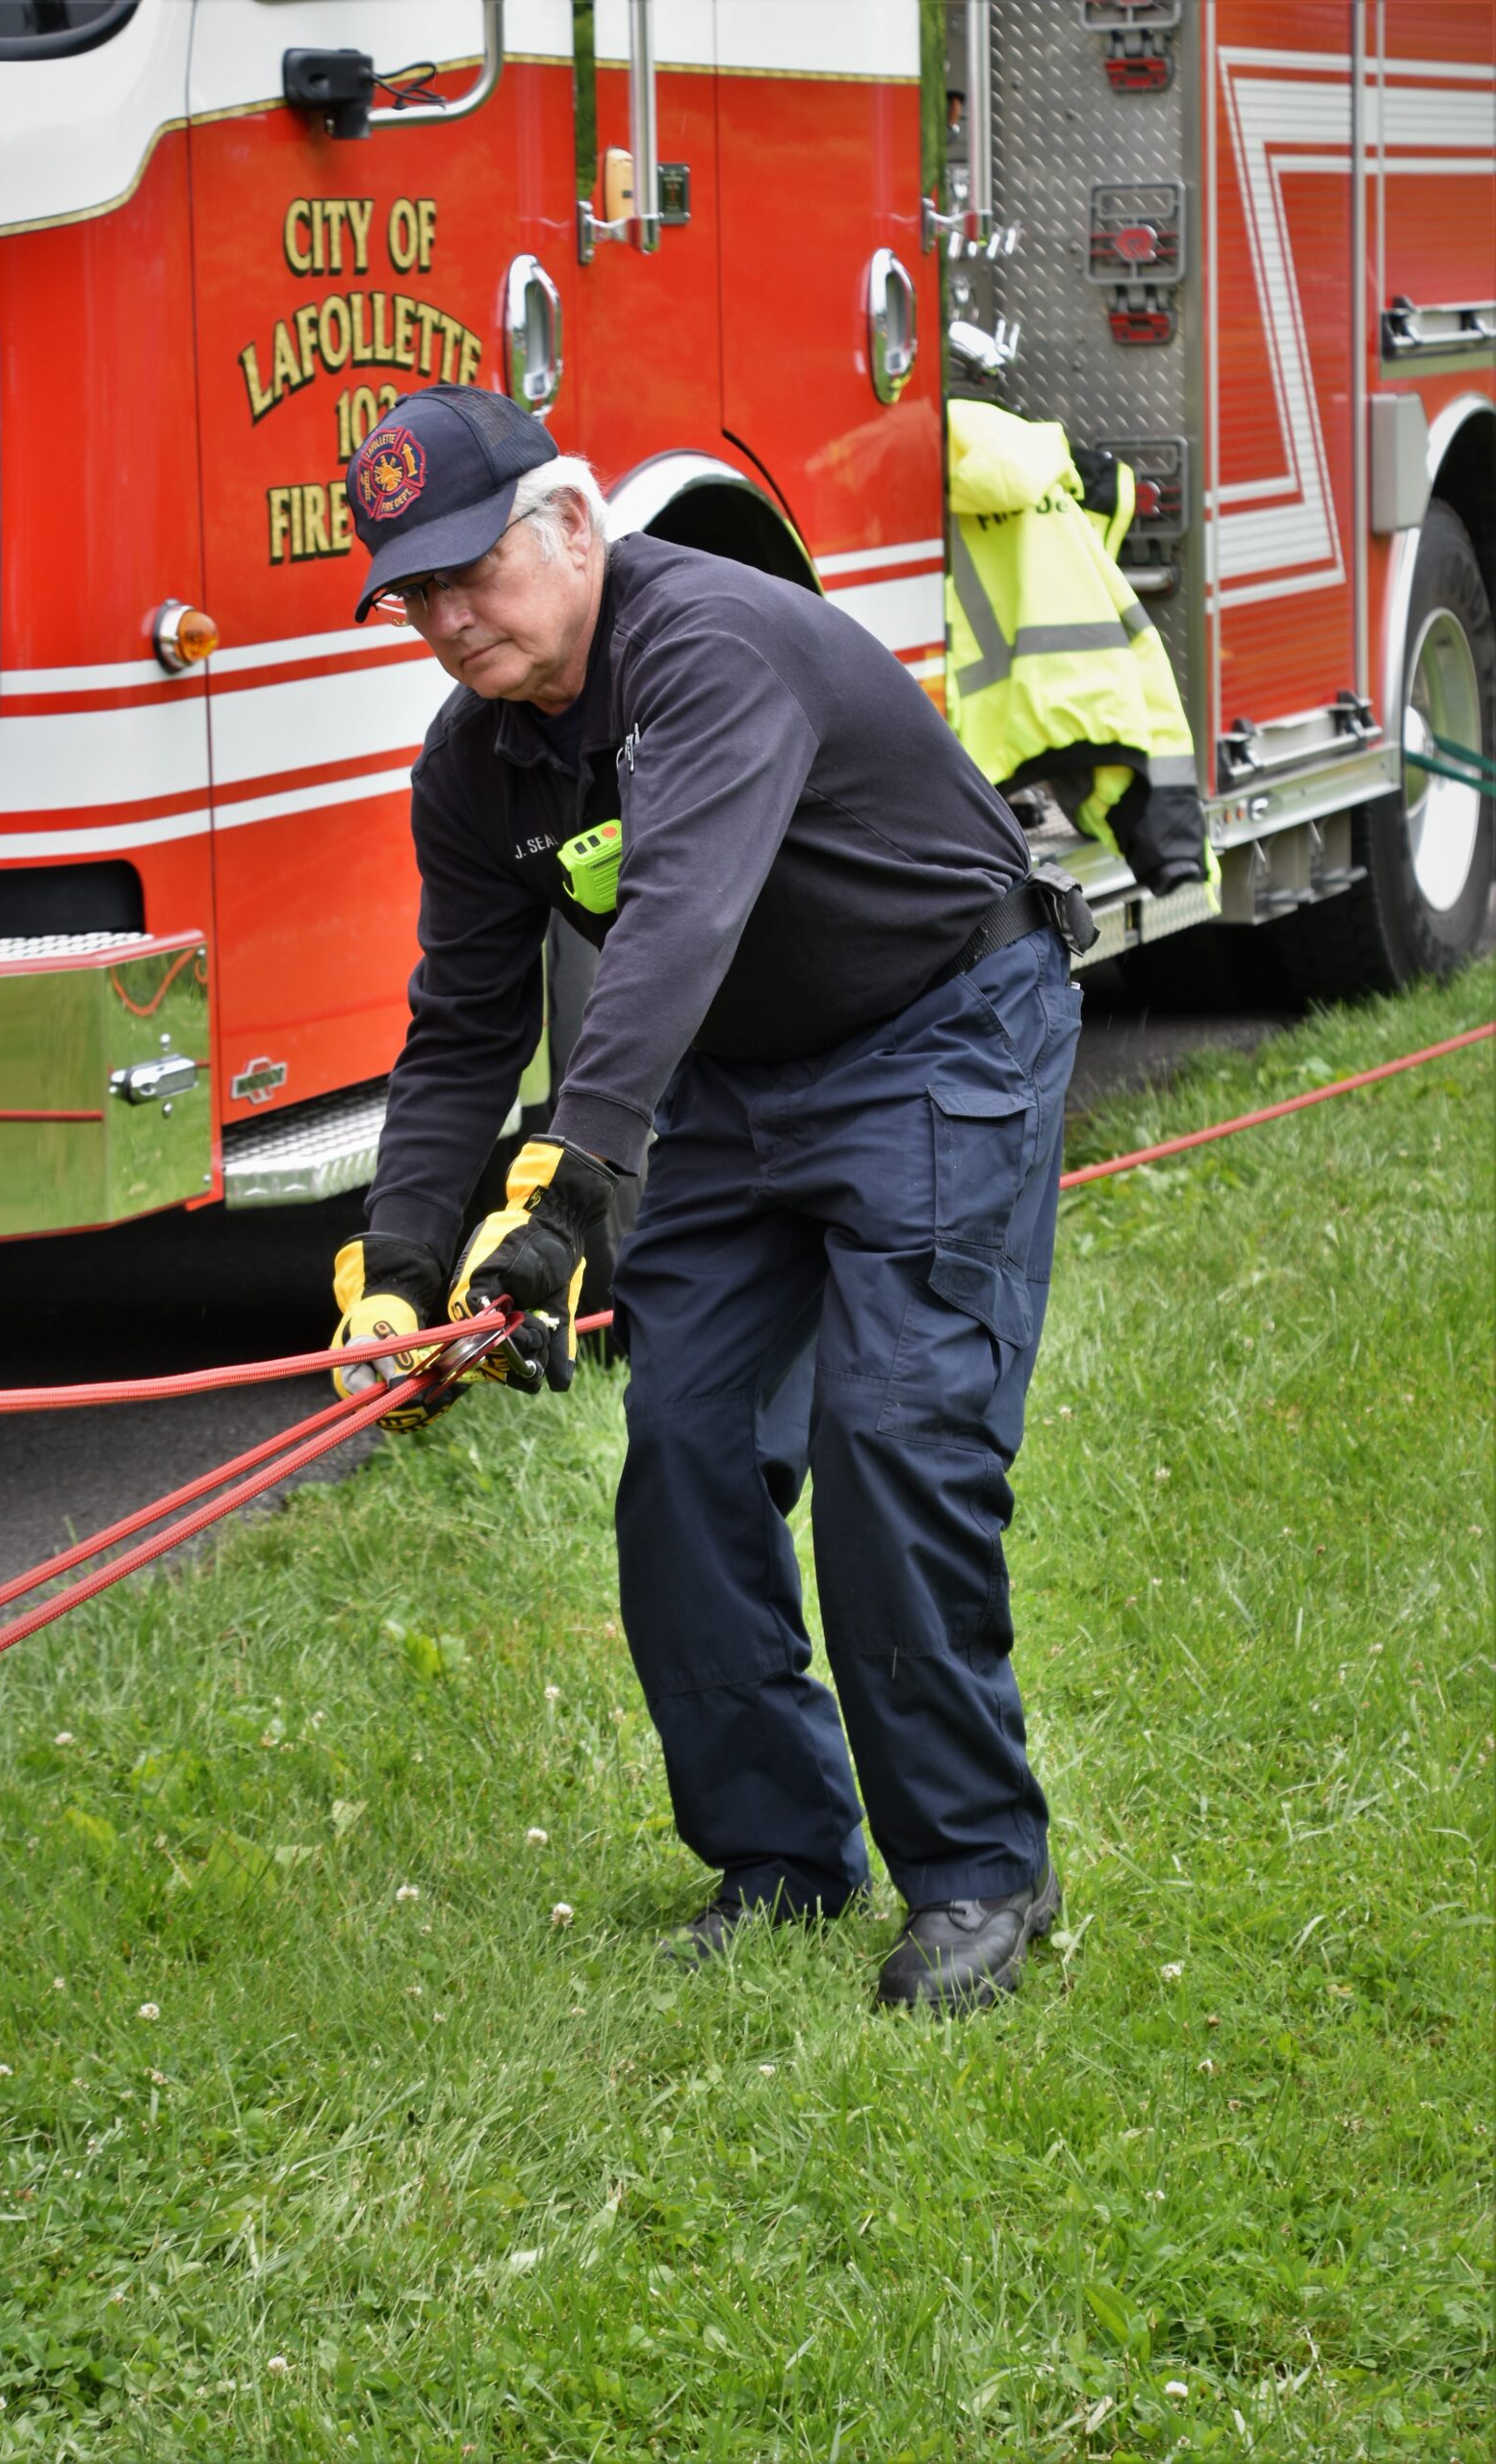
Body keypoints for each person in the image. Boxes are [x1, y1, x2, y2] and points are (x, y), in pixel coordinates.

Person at [330, 384, 1086, 2013]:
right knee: (682, 1453)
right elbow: (464, 1025)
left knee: (895, 1439)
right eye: (413, 592)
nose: (448, 616)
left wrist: (569, 1195)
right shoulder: (472, 769)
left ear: (575, 527)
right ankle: (781, 1857)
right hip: (741, 1086)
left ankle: (977, 1879)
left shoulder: (707, 644)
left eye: (472, 568)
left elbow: (669, 915)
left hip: (941, 1033)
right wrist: (397, 1273)